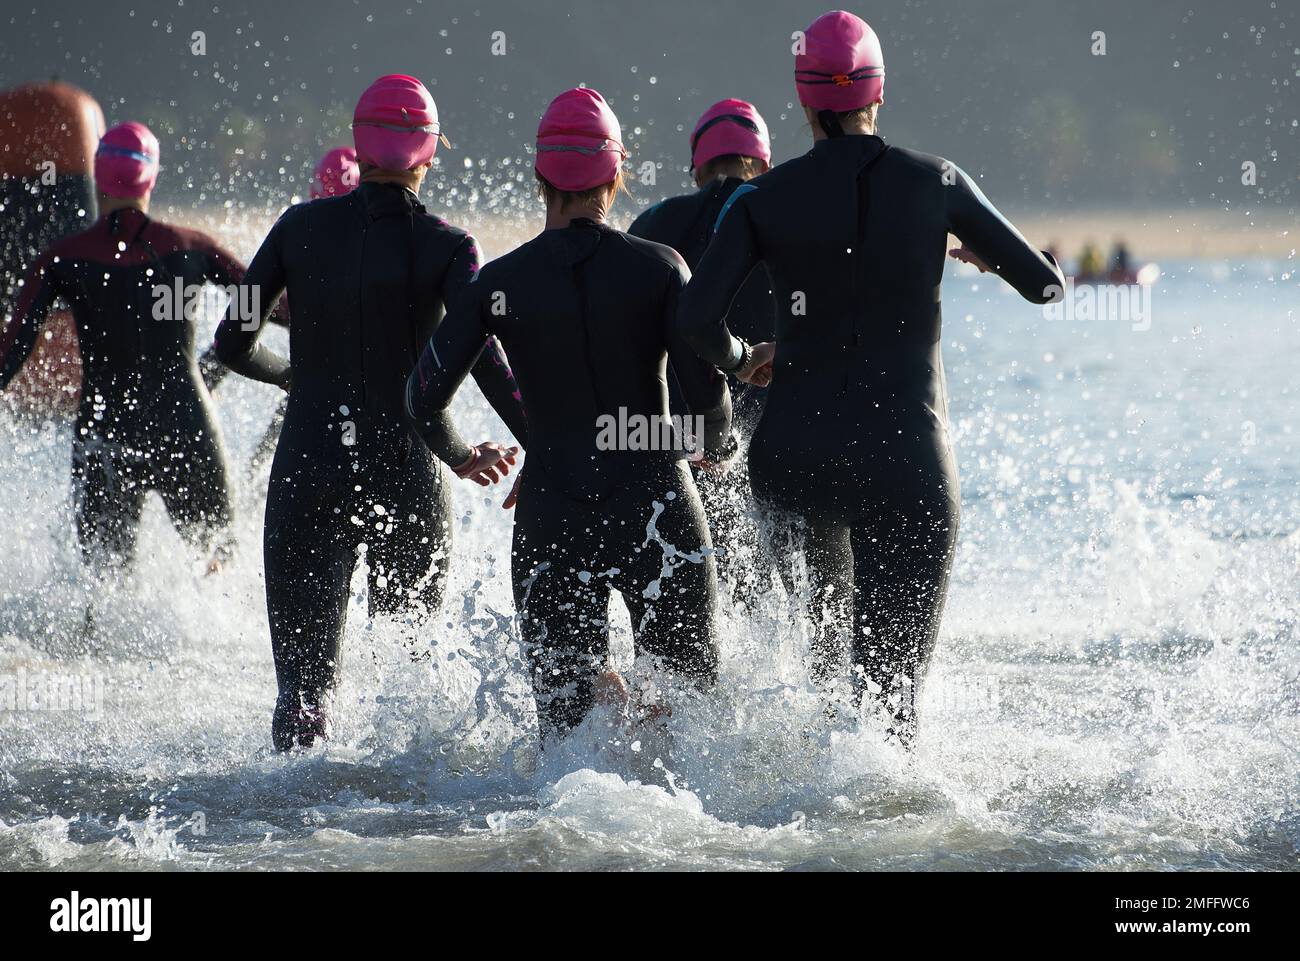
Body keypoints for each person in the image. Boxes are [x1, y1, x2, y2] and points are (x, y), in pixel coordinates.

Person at [678, 11, 1065, 744]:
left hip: (794, 458)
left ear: (803, 103)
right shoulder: (937, 181)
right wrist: (972, 249)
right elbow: (1044, 286)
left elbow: (695, 320)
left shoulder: (762, 198)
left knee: (823, 682)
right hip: (905, 462)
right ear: (878, 95)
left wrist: (741, 359)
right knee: (889, 712)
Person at [405, 88, 732, 743]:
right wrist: (704, 445)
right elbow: (713, 408)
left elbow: (423, 398)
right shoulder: (661, 268)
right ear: (615, 177)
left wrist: (464, 455)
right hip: (657, 506)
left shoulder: (499, 282)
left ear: (539, 179)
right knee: (692, 728)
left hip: (555, 516)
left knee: (568, 742)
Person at [213, 75, 523, 751]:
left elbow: (231, 343)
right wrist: (530, 444)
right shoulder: (447, 245)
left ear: (362, 148)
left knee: (301, 694)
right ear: (428, 155)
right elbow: (486, 354)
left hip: (307, 468)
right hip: (407, 473)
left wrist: (301, 377)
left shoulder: (297, 227)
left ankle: (291, 830)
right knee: (410, 688)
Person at [0, 121, 262, 592]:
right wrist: (217, 362)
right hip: (186, 424)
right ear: (152, 178)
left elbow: (11, 355)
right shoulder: (191, 249)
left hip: (106, 432)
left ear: (99, 179)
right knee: (220, 571)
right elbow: (264, 309)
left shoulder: (62, 259)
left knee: (104, 592)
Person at [628, 99, 777, 604]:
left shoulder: (653, 224)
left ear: (697, 169)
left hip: (676, 436)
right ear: (765, 164)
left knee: (692, 598)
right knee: (764, 600)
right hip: (770, 432)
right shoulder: (786, 217)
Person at [245, 146, 364, 481]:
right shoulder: (388, 254)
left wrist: (286, 376)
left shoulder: (297, 251)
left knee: (260, 475)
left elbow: (234, 339)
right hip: (377, 406)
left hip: (307, 401)